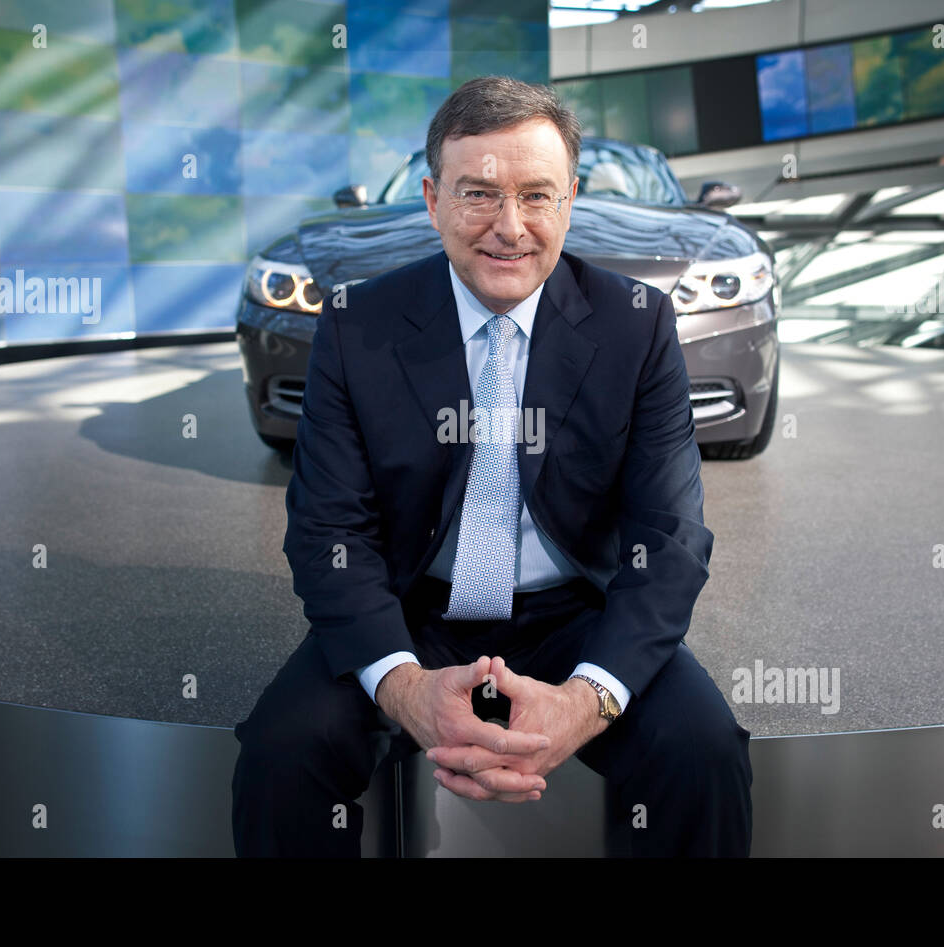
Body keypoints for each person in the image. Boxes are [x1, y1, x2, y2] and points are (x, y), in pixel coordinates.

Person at [232, 75, 752, 857]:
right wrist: (405, 689)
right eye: (478, 194)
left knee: (703, 751)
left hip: (579, 612)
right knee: (282, 753)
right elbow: (325, 529)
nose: (510, 227)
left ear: (570, 198)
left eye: (537, 195)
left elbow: (670, 538)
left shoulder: (635, 327)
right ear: (431, 197)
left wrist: (583, 702)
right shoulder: (357, 326)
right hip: (412, 606)